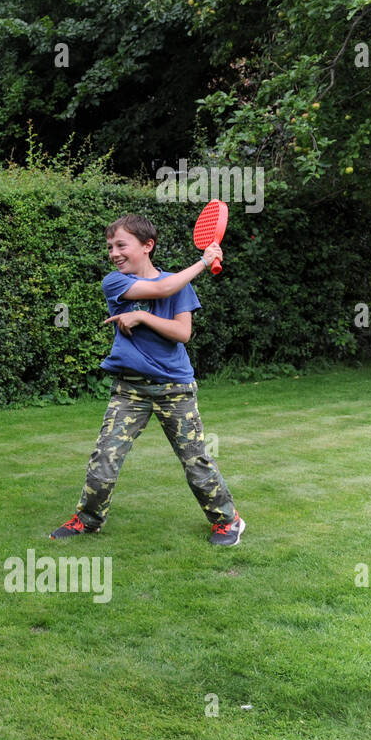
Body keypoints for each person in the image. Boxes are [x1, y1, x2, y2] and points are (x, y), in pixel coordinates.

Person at [50, 214, 246, 546]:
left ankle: (228, 521)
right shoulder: (115, 282)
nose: (113, 253)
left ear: (147, 246)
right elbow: (159, 289)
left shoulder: (179, 283)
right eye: (110, 246)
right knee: (104, 457)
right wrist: (203, 262)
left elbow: (182, 333)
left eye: (121, 245)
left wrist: (142, 315)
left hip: (175, 387)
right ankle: (88, 520)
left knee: (195, 460)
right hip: (130, 389)